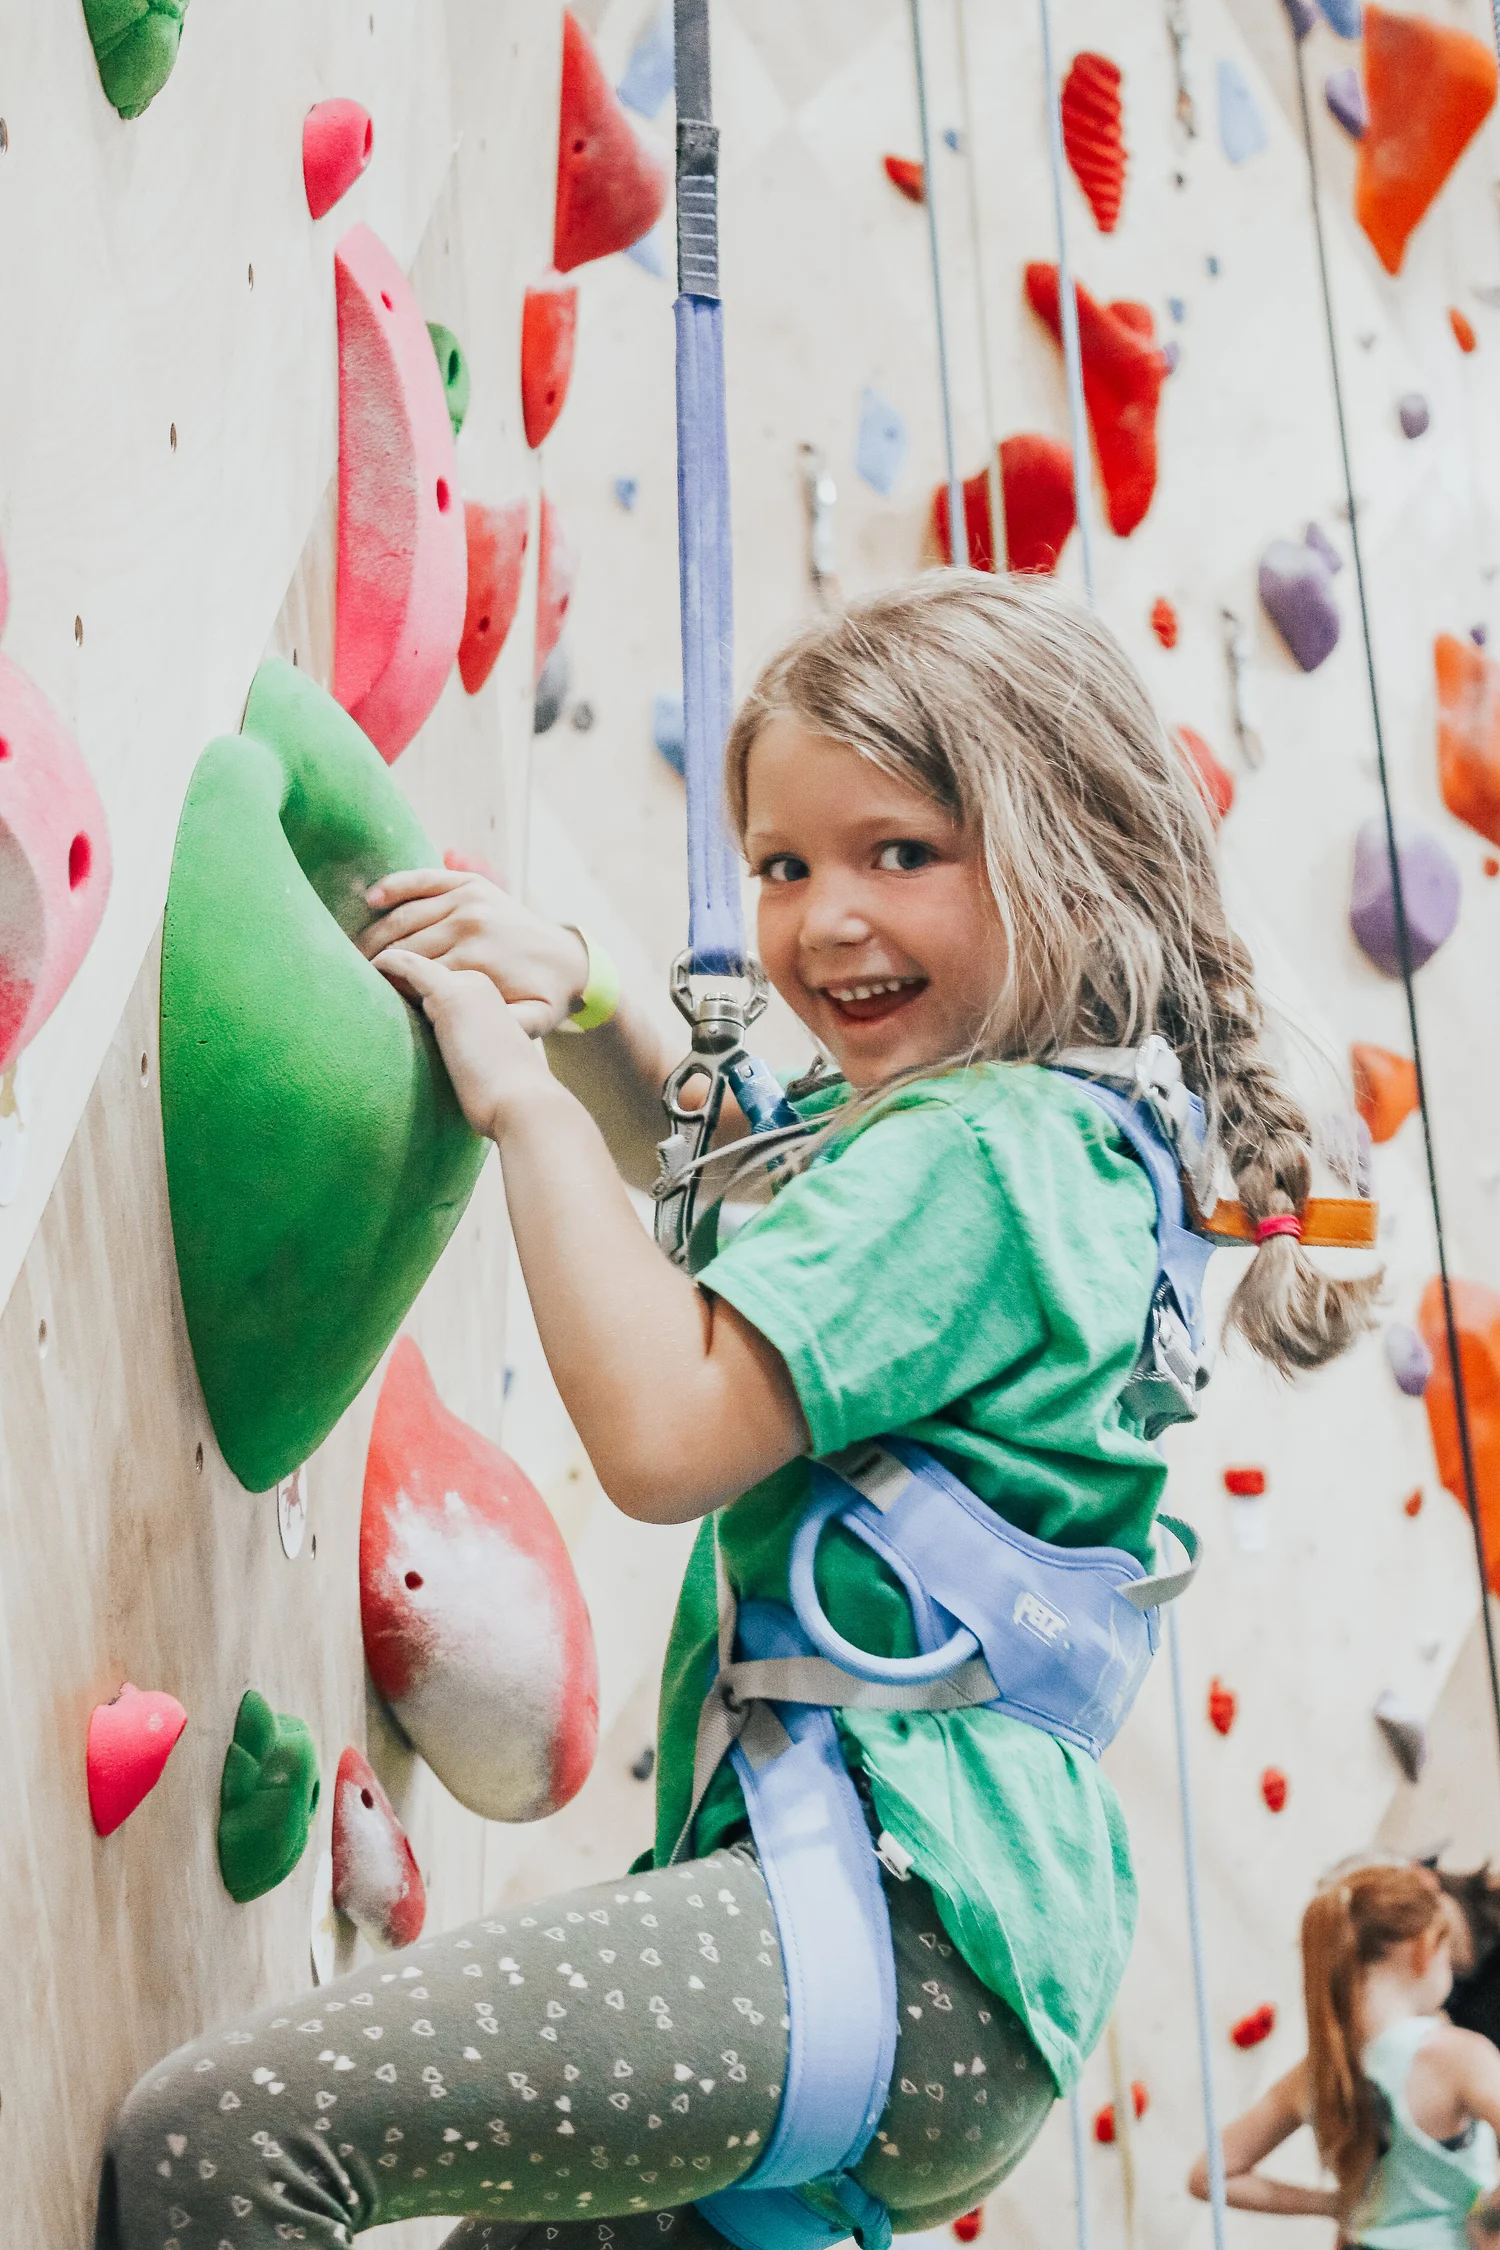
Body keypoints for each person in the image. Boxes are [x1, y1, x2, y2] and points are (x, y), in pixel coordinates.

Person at [97, 571, 1377, 2250]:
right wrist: (594, 1006)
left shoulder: (982, 1153)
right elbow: (766, 1176)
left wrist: (521, 1111)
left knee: (234, 2140)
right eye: (783, 867)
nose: (823, 920)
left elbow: (664, 1431)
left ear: (1067, 856)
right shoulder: (1079, 1154)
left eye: (897, 853)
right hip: (949, 1965)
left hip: (888, 1922)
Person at [1188, 1863, 1500, 2247]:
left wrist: (1335, 2205)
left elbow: (1208, 2176)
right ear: (1424, 1949)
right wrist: (1490, 2222)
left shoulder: (1315, 2074)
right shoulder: (1457, 2055)